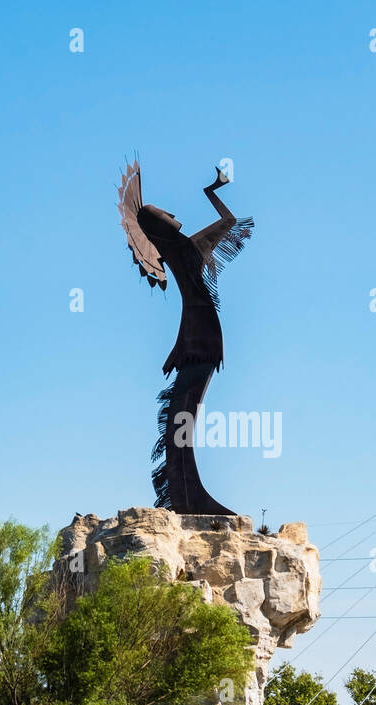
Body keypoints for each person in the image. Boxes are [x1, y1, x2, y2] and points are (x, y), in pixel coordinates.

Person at [118, 160, 254, 515]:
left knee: (182, 416)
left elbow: (229, 224)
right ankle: (187, 497)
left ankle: (187, 495)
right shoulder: (180, 250)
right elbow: (229, 223)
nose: (171, 212)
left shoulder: (188, 247)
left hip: (199, 338)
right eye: (161, 212)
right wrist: (212, 190)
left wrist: (213, 190)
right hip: (201, 339)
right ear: (157, 225)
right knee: (182, 416)